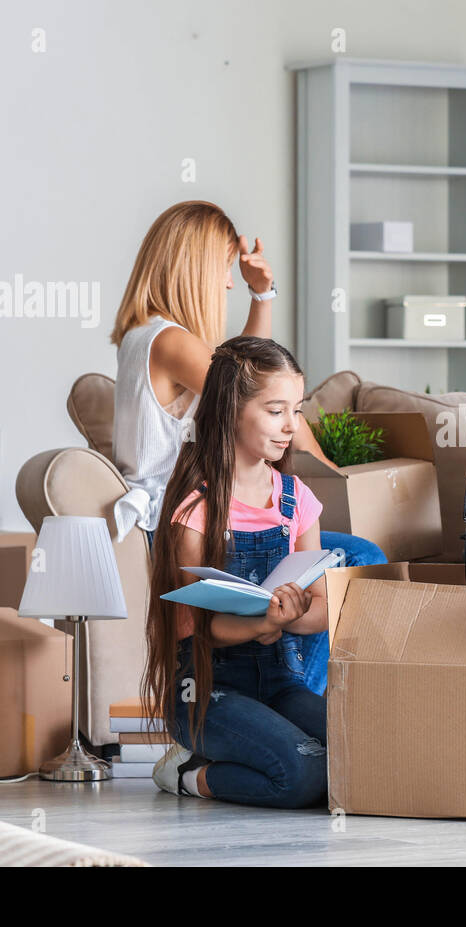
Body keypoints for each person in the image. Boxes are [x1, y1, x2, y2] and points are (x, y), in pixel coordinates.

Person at [109, 200, 384, 691]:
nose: (228, 282)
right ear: (191, 267)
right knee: (360, 558)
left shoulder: (142, 335)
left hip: (173, 514)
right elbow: (249, 390)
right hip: (190, 522)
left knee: (325, 568)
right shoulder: (169, 340)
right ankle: (304, 689)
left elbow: (249, 379)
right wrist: (322, 465)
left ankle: (293, 686)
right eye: (221, 269)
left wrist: (264, 296)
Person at [144, 336, 328, 807]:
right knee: (305, 771)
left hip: (281, 682)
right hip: (207, 691)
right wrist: (265, 621)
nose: (291, 426)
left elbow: (322, 609)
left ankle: (253, 749)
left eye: (297, 410)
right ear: (230, 410)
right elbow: (203, 628)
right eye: (275, 410)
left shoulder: (296, 499)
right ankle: (190, 775)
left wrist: (292, 615)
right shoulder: (195, 511)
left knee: (365, 752)